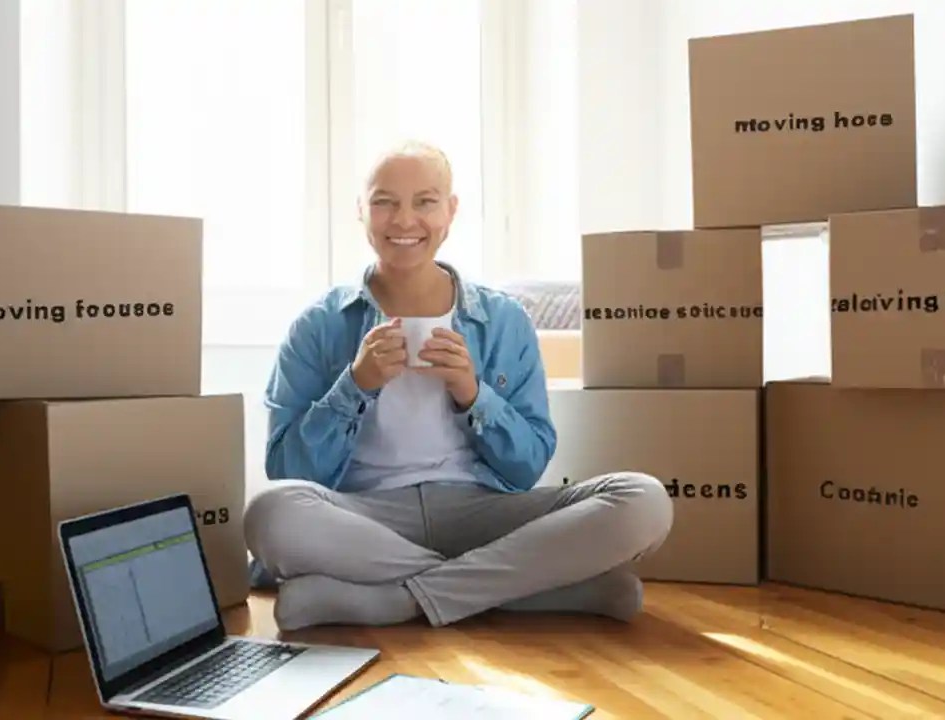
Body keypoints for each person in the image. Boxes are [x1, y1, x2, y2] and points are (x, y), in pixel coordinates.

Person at [243, 141, 673, 632]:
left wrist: (474, 393)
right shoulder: (318, 324)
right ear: (361, 210)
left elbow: (527, 466)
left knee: (643, 499)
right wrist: (354, 385)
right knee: (270, 513)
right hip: (365, 518)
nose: (404, 220)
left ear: (450, 211)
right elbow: (286, 470)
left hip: (482, 510)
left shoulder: (504, 320)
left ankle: (394, 600)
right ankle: (531, 591)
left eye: (424, 201)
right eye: (385, 201)